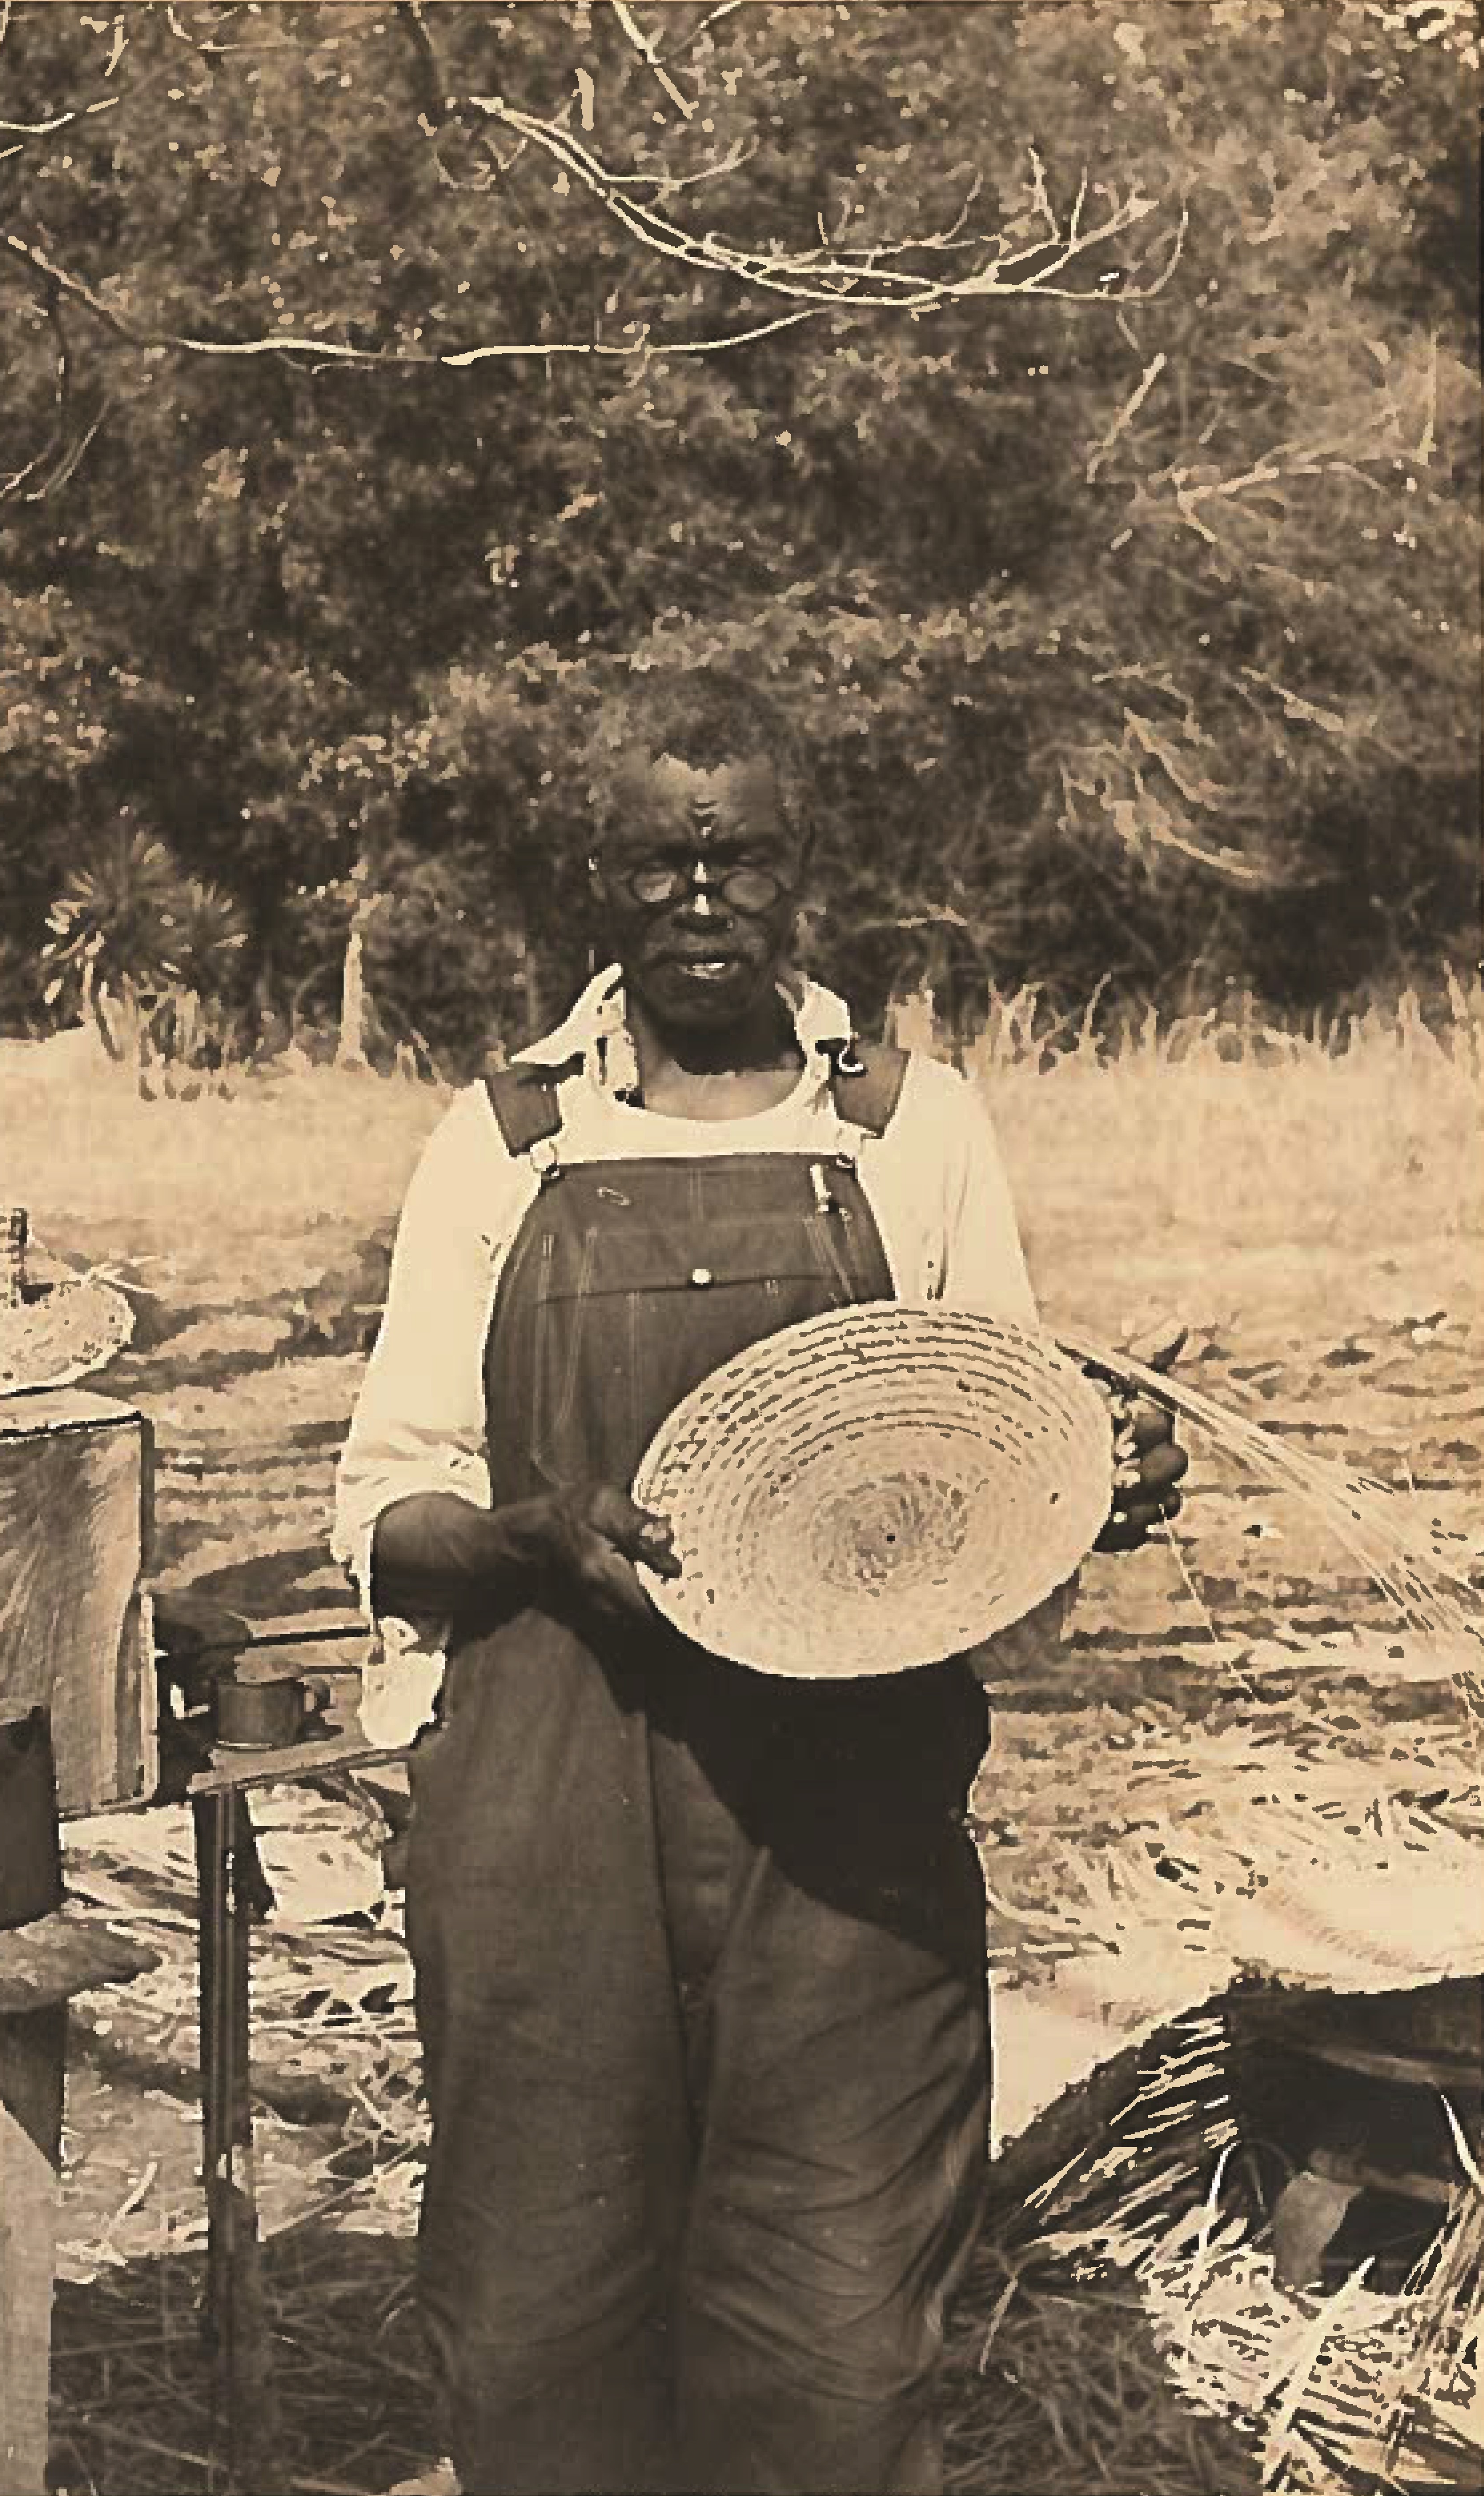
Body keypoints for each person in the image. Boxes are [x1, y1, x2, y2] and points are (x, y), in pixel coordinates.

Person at [332, 670, 1186, 2496]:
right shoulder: (502, 1139)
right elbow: (389, 1501)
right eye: (660, 857)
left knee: (834, 2334)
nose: (698, 895)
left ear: (798, 871)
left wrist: (1096, 1486)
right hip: (552, 1788)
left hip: (843, 1805)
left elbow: (996, 1458)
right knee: (546, 2306)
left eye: (736, 856)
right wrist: (535, 1528)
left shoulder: (910, 1128)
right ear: (598, 877)